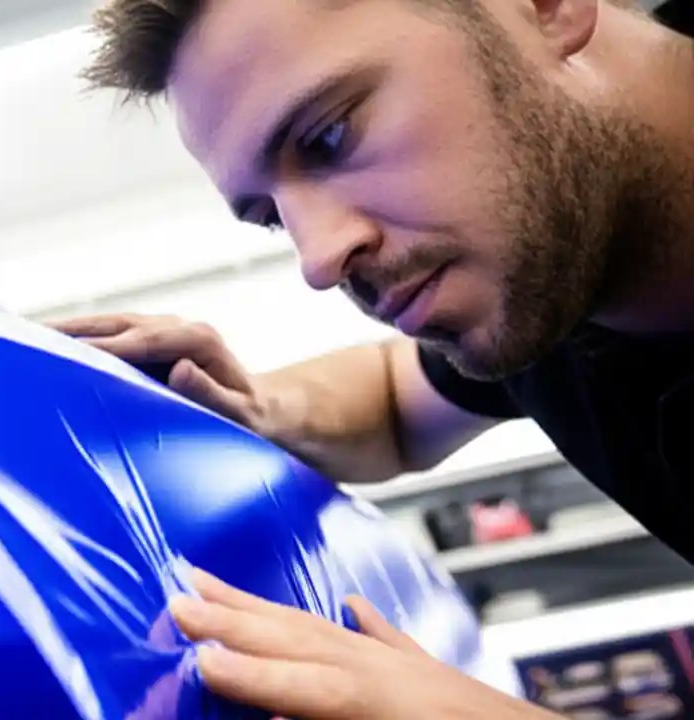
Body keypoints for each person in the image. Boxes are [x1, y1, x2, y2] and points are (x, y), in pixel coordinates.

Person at [55, 0, 694, 716]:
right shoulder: (548, 282)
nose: (319, 260)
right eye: (273, 218)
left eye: (330, 136)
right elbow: (395, 402)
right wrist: (257, 409)